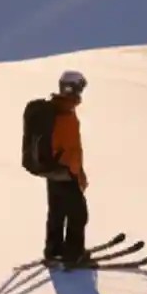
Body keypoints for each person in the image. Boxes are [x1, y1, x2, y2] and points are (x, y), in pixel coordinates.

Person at [45, 70, 90, 266]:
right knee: (78, 213)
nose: (80, 93)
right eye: (79, 88)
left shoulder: (59, 109)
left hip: (54, 171)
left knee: (57, 212)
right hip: (64, 170)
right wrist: (74, 170)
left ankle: (54, 251)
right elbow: (68, 146)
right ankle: (73, 254)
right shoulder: (63, 112)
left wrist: (80, 171)